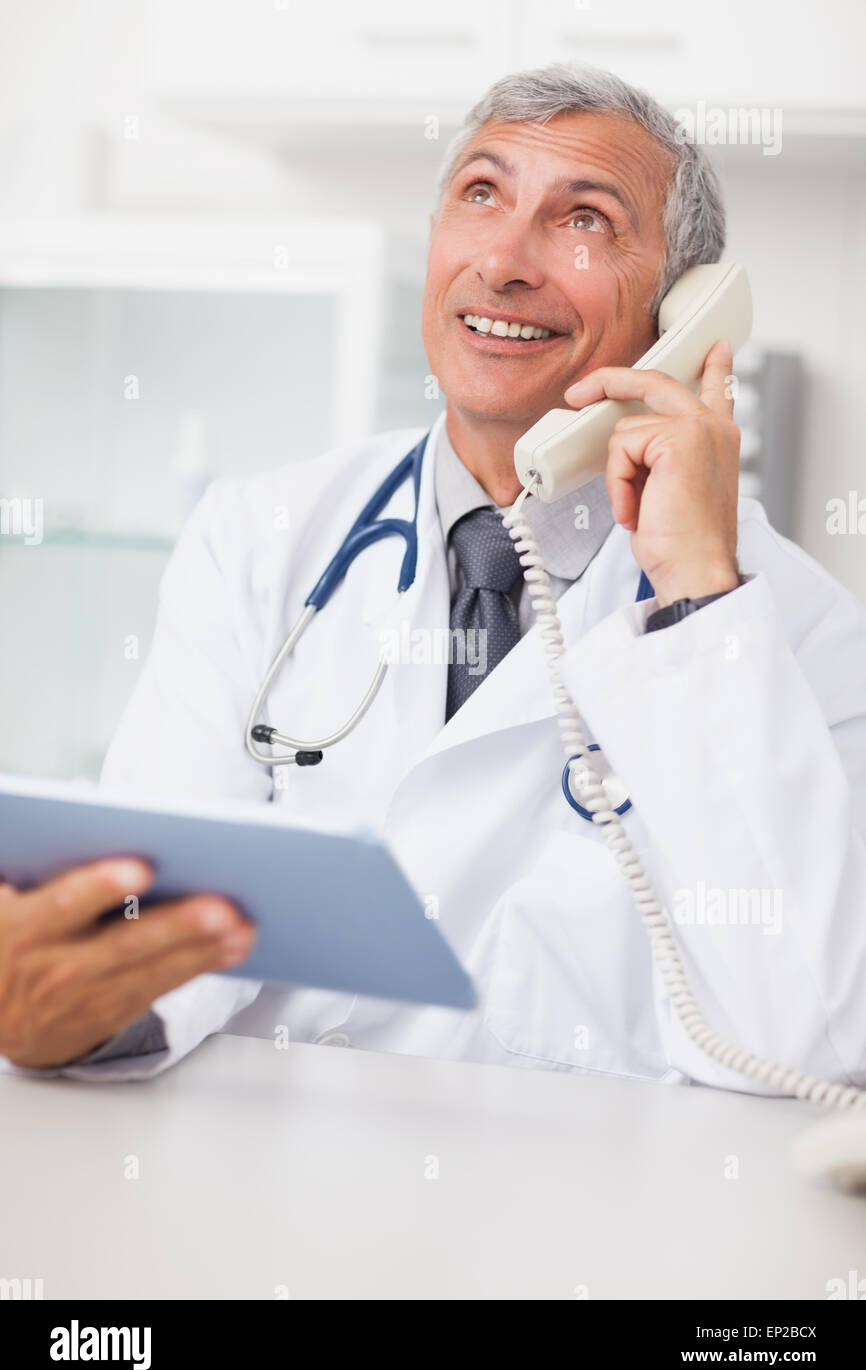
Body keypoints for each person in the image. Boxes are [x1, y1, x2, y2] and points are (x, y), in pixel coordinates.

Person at [2, 65, 865, 1095]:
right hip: (261, 1194)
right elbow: (159, 912)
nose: (501, 261)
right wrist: (85, 1012)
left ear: (682, 313)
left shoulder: (793, 629)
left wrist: (692, 598)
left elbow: (803, 1039)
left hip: (600, 1229)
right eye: (480, 196)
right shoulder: (261, 536)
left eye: (581, 219)